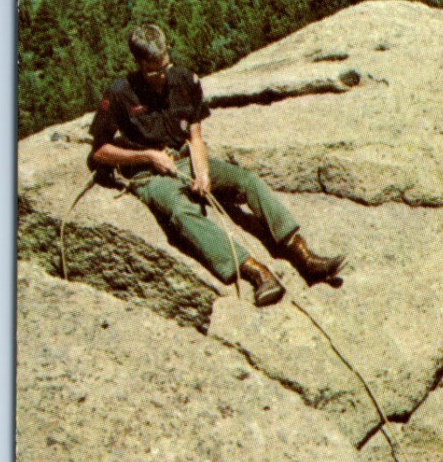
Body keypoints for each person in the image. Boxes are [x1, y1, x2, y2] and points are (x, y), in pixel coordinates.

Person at [89, 23, 345, 307]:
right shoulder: (120, 93)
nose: (161, 76)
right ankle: (255, 272)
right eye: (153, 71)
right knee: (180, 210)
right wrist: (148, 156)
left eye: (164, 66)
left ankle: (302, 253)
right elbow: (100, 151)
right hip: (149, 175)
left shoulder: (184, 80)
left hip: (184, 158)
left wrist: (202, 171)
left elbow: (195, 135)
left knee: (246, 180)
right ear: (138, 63)